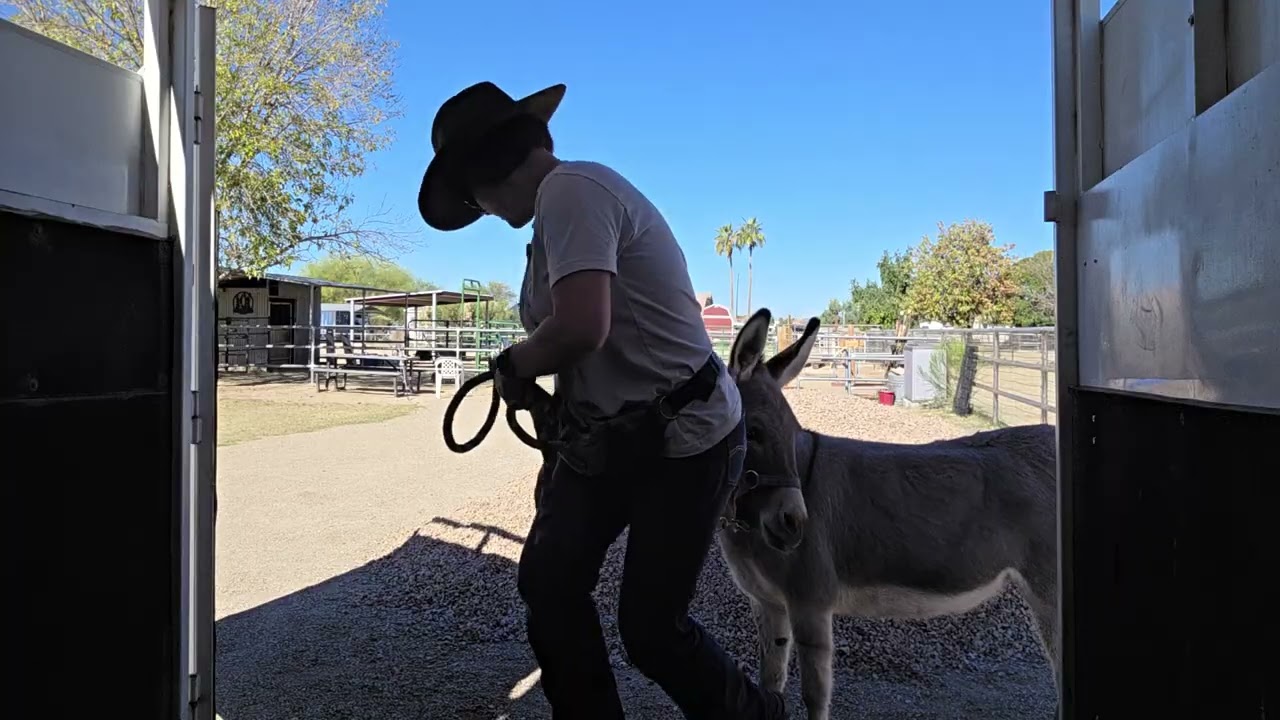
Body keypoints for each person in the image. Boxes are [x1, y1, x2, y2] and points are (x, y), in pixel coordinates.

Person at [417, 81, 788, 720]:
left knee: (650, 629)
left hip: (686, 439)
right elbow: (582, 344)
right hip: (618, 438)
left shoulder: (571, 192)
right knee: (549, 581)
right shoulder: (559, 215)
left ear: (484, 173)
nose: (475, 208)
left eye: (469, 196)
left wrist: (512, 363)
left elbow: (583, 326)